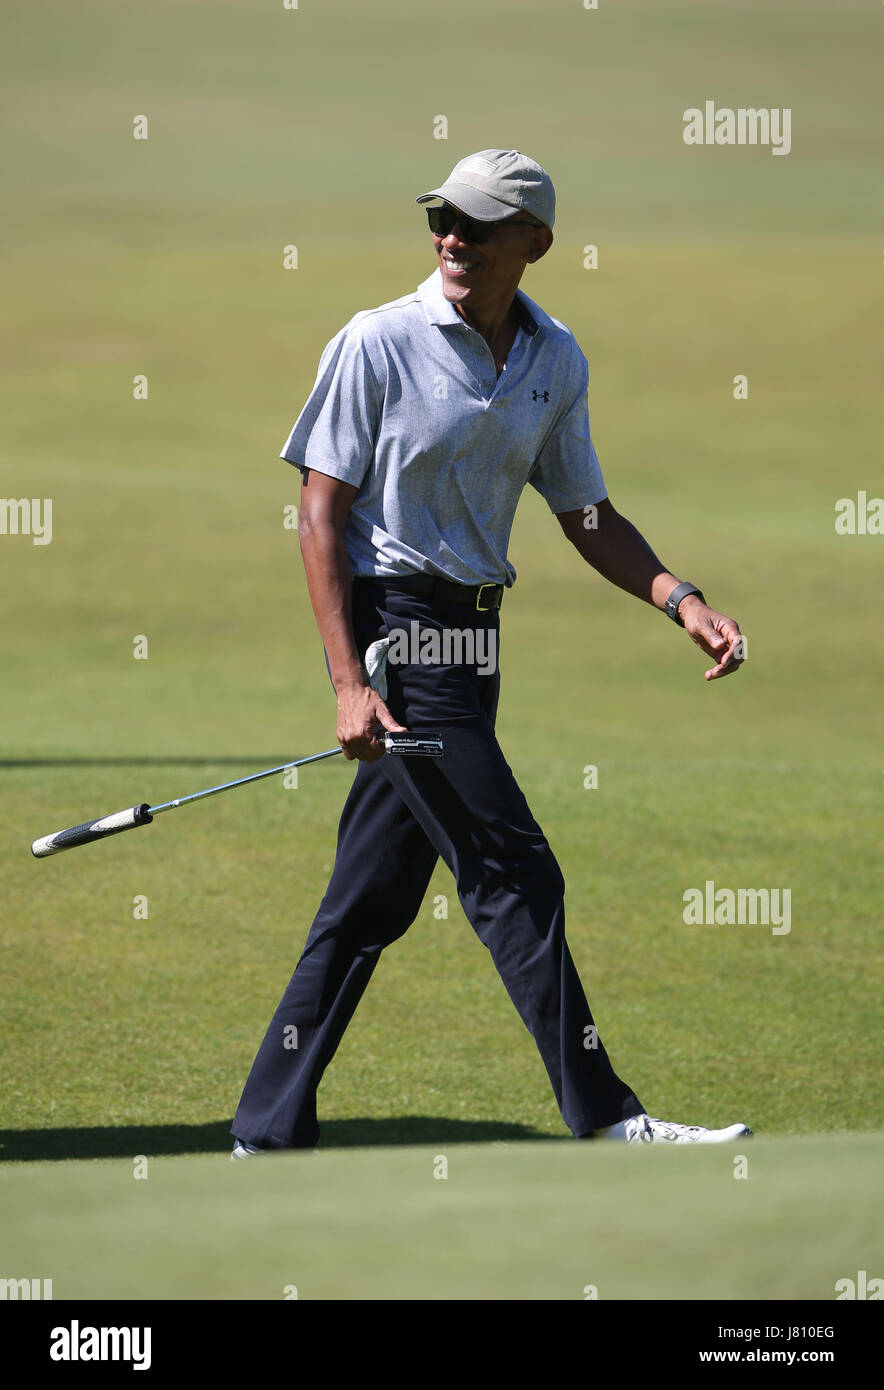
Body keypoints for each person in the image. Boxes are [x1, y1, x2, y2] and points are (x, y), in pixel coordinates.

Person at [230, 149, 751, 1156]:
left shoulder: (554, 358)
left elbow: (583, 510)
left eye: (474, 223)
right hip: (400, 633)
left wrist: (676, 596)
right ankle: (606, 1115)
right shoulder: (376, 342)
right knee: (514, 871)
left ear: (535, 245)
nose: (451, 237)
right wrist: (347, 681)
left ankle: (264, 1127)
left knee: (370, 898)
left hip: (472, 639)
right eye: (441, 218)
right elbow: (317, 509)